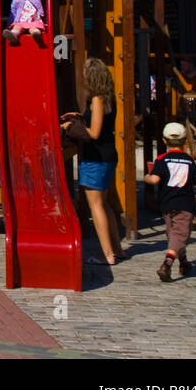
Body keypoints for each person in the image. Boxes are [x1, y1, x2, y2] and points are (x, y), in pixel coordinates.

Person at [62, 57, 127, 266]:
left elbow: (94, 132)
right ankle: (117, 249)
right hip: (108, 155)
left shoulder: (97, 99)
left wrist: (71, 127)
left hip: (96, 157)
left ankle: (106, 254)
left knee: (95, 206)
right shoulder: (109, 98)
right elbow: (100, 123)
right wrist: (81, 116)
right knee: (105, 204)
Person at [145, 122, 196, 282]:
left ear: (164, 141)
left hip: (167, 203)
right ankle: (167, 264)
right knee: (180, 235)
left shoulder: (162, 159)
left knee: (173, 235)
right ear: (184, 141)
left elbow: (154, 179)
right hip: (185, 203)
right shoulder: (190, 161)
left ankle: (184, 263)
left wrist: (147, 177)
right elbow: (195, 181)